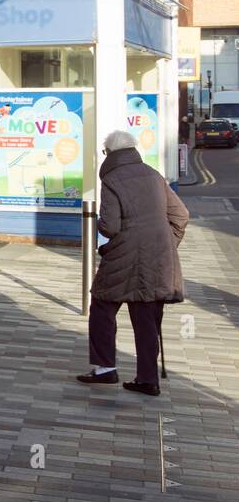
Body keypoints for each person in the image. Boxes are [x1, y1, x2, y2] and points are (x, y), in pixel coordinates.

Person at [77, 130, 188, 395]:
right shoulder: (153, 174)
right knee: (147, 317)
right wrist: (167, 244)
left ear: (109, 153)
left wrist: (102, 224)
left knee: (103, 306)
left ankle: (105, 369)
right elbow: (181, 215)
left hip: (122, 256)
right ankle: (148, 379)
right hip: (157, 256)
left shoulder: (112, 179)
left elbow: (111, 226)